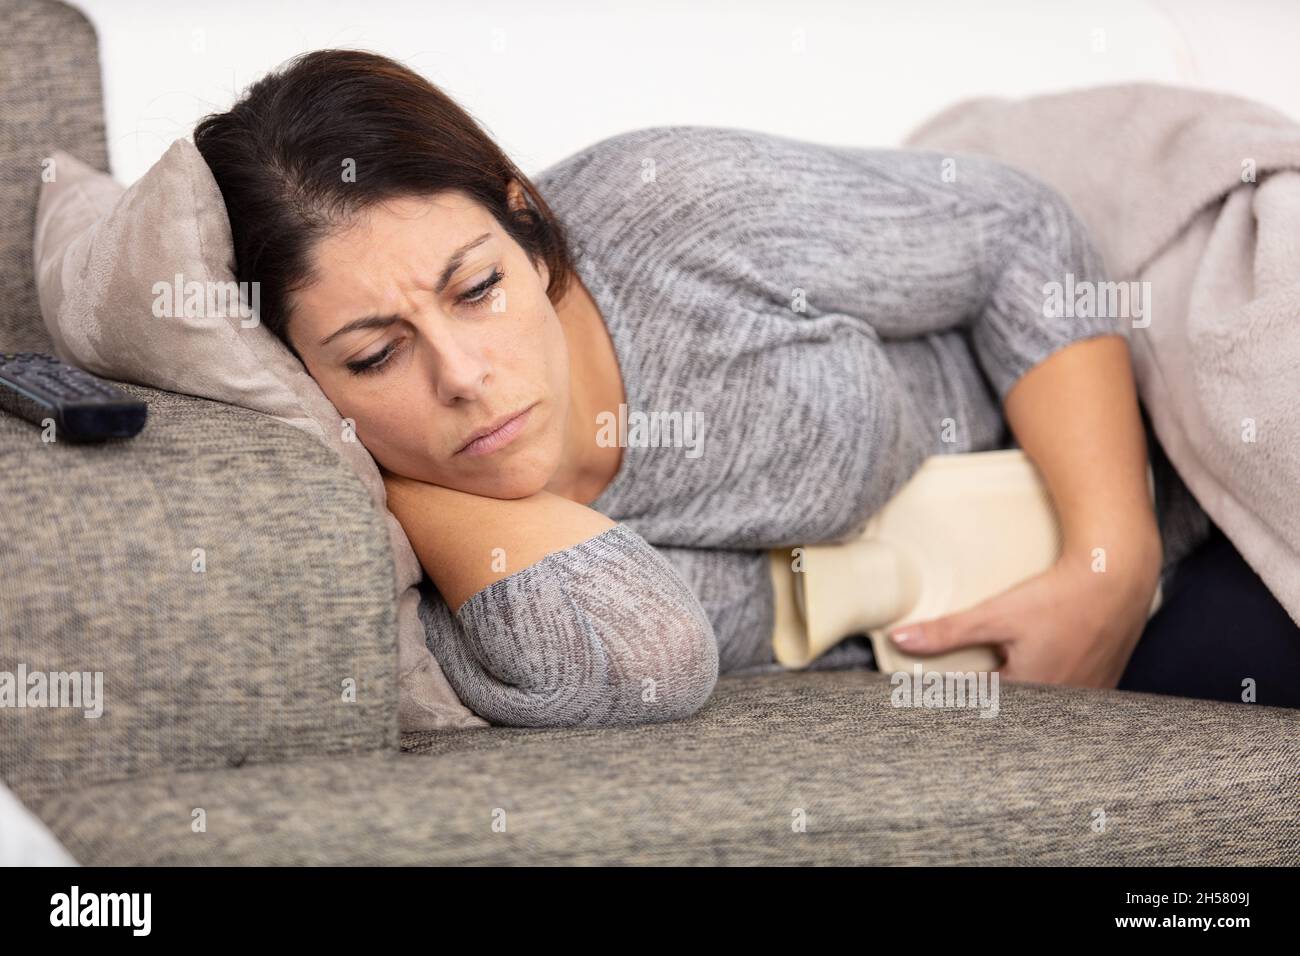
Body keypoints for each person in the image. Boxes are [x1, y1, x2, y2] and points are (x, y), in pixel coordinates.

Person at [192, 49, 1296, 727]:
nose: (465, 379)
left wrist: (1109, 560)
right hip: (1032, 654)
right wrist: (411, 489)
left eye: (475, 287)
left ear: (527, 232)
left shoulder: (679, 216)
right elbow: (638, 662)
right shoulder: (417, 543)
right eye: (375, 356)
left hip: (1177, 491)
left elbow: (1017, 229)